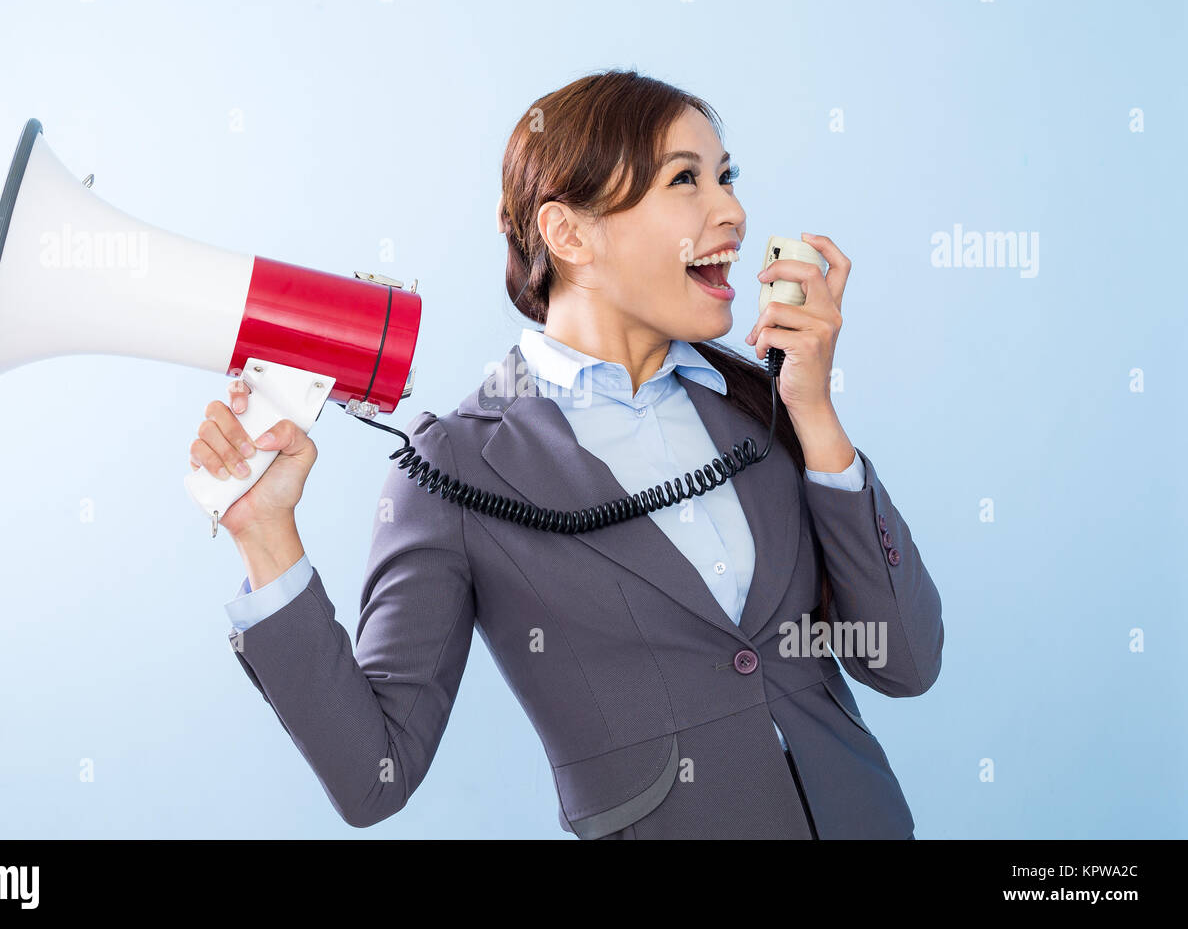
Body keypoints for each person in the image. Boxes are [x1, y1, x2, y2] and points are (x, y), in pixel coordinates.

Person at [189, 69, 942, 839]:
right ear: (569, 234)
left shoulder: (764, 409)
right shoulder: (454, 468)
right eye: (686, 179)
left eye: (727, 177)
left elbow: (907, 662)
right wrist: (265, 534)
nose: (734, 212)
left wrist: (815, 415)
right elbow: (371, 774)